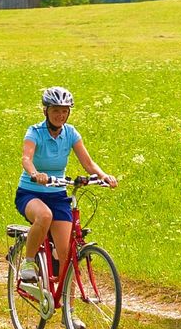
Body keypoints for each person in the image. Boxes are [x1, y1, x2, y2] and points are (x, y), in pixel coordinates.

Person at [15, 86, 117, 286]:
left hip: (58, 194)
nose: (60, 115)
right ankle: (28, 263)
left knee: (66, 254)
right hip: (31, 192)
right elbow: (26, 158)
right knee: (44, 216)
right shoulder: (35, 131)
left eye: (64, 111)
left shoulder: (70, 133)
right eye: (55, 110)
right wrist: (35, 174)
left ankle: (68, 311)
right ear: (45, 111)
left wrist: (103, 176)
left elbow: (88, 163)